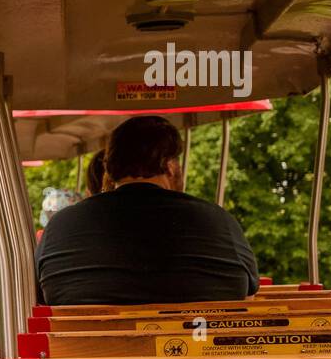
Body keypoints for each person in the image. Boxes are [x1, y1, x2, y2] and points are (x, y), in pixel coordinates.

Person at [34, 115, 259, 306]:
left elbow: (39, 296)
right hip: (199, 354)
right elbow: (249, 292)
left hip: (80, 356)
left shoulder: (60, 228)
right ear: (170, 165)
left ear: (109, 169)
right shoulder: (220, 222)